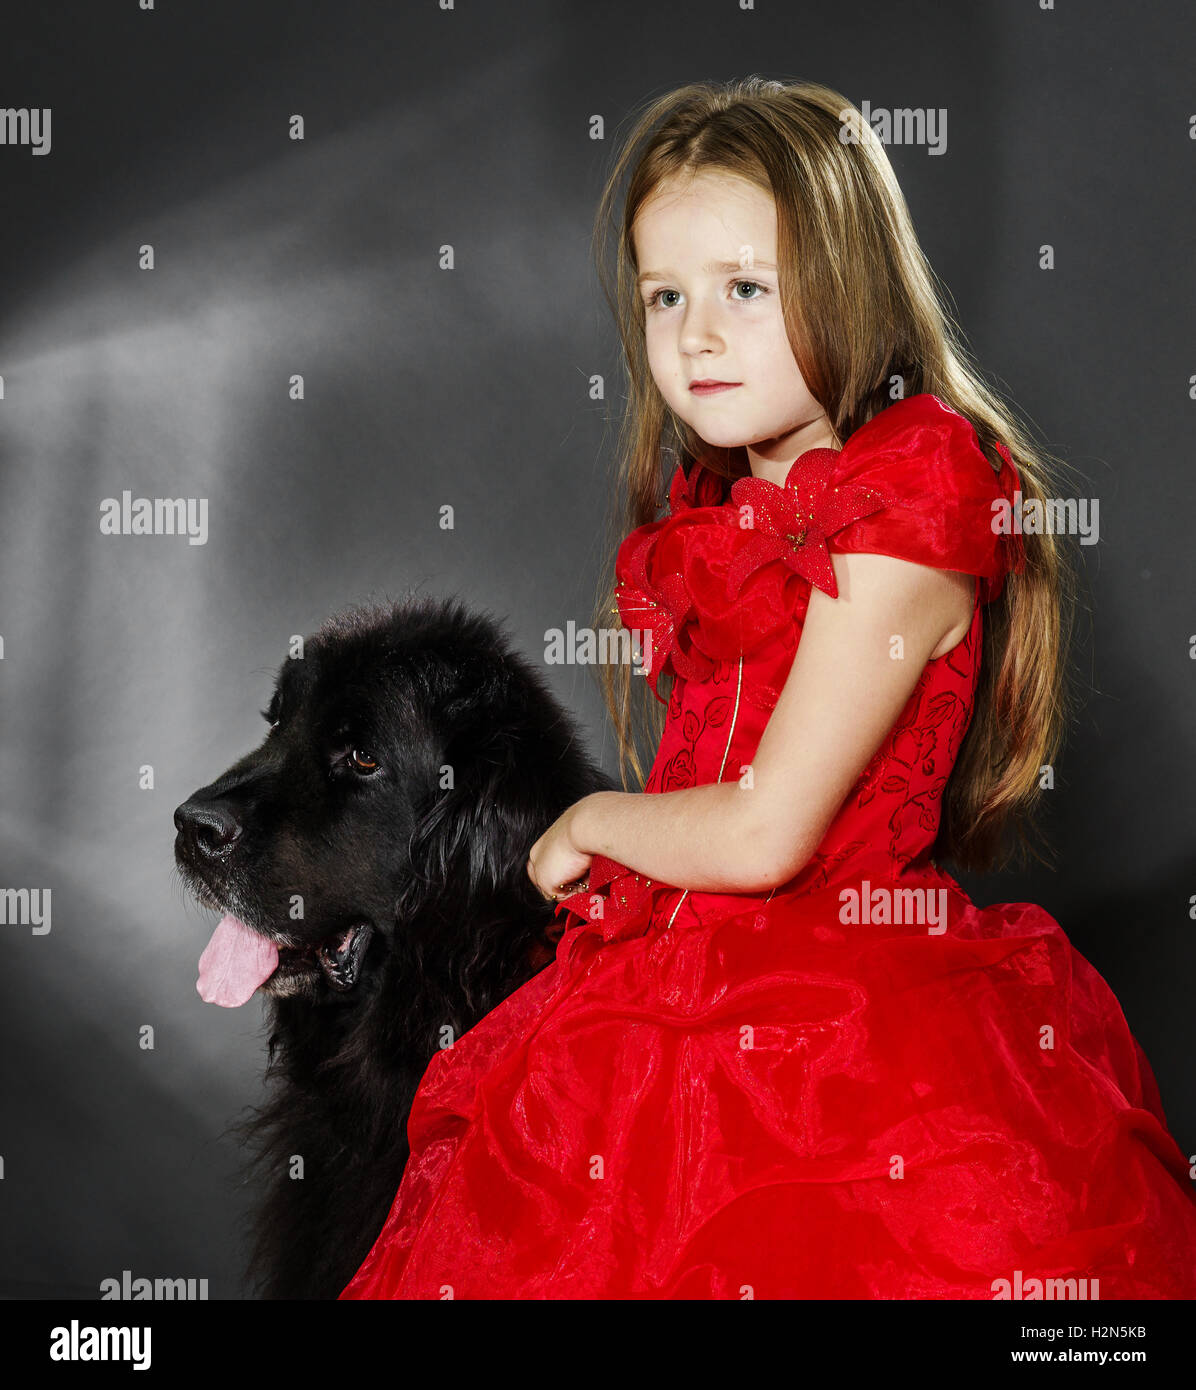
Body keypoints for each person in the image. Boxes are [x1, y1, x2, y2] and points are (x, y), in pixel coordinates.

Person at [339, 77, 1196, 1299]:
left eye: (744, 288)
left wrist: (586, 821)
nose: (694, 336)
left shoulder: (909, 504)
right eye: (663, 297)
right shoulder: (721, 514)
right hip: (654, 1008)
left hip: (842, 1027)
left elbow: (761, 827)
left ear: (847, 282)